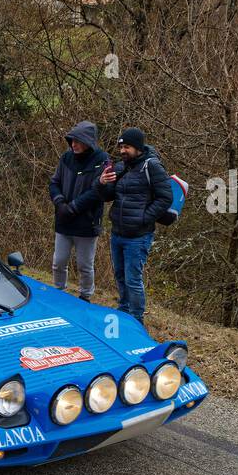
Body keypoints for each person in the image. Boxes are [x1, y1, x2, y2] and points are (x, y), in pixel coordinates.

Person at [98, 127, 172, 326]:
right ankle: (123, 310)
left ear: (138, 148)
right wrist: (101, 182)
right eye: (121, 146)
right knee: (120, 275)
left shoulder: (152, 167)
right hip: (118, 232)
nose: (123, 151)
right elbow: (107, 196)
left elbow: (166, 198)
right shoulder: (122, 167)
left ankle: (136, 319)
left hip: (138, 236)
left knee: (133, 279)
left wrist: (144, 218)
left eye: (127, 147)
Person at [48, 121, 110, 302]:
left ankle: (85, 296)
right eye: (71, 140)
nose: (73, 144)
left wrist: (74, 207)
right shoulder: (66, 158)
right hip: (63, 220)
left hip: (87, 223)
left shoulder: (102, 160)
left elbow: (97, 191)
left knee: (85, 265)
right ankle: (58, 292)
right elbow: (54, 182)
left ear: (88, 141)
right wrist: (60, 203)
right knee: (59, 262)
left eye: (77, 141)